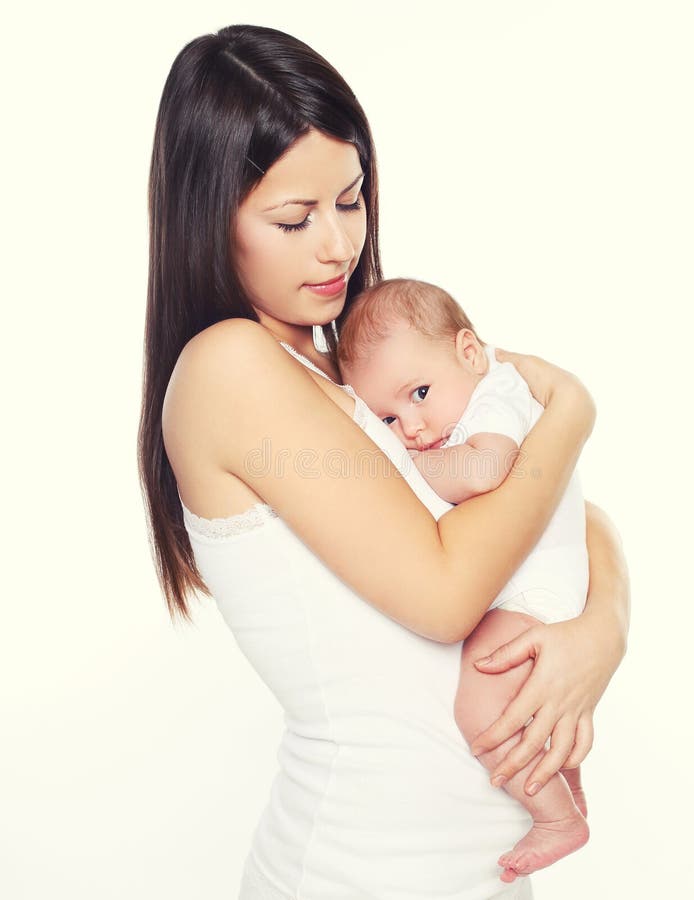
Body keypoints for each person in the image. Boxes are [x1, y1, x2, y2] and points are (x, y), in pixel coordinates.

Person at [138, 24, 630, 899]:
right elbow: (447, 596)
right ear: (210, 218)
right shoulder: (230, 368)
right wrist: (573, 413)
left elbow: (569, 516)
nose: (337, 245)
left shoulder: (360, 372)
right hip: (356, 873)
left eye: (351, 199)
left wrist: (602, 630)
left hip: (478, 874)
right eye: (294, 219)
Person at [338, 278, 592, 879]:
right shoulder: (466, 400)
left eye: (420, 393)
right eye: (389, 417)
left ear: (470, 353)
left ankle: (557, 819)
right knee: (536, 704)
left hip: (534, 585)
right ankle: (569, 790)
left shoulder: (496, 394)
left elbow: (484, 470)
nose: (412, 426)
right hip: (535, 579)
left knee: (482, 706)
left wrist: (403, 468)